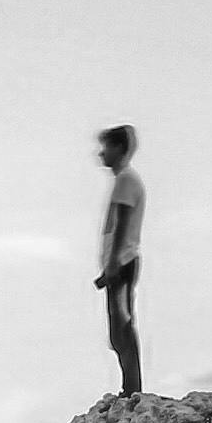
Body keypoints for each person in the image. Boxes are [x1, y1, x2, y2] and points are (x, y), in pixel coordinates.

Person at [92, 124, 145, 395]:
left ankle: (132, 389)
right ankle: (130, 387)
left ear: (119, 149)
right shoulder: (123, 181)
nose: (101, 153)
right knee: (117, 333)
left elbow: (122, 224)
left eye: (106, 147)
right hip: (118, 262)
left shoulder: (126, 180)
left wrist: (113, 263)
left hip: (122, 262)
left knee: (122, 328)